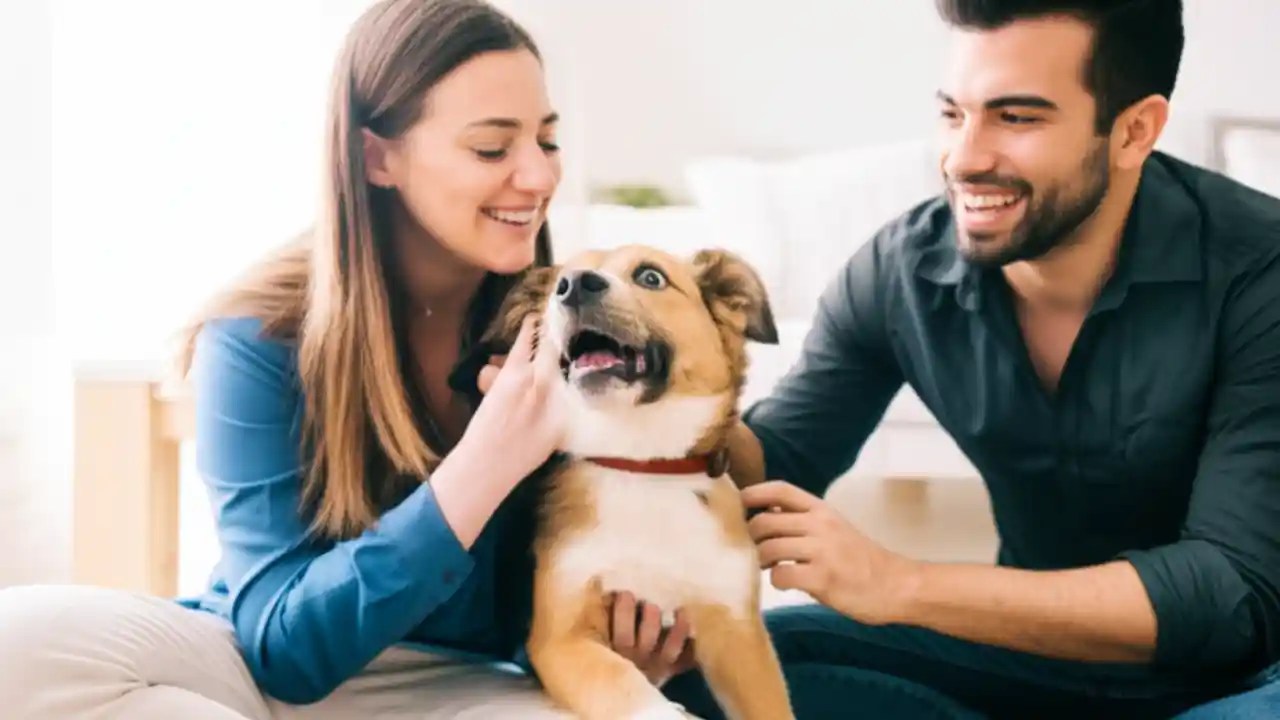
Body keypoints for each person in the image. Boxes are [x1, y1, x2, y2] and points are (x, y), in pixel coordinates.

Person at [0, 1, 667, 717]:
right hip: (250, 670)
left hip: (466, 686)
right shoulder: (258, 333)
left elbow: (563, 602)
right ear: (377, 156)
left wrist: (621, 648)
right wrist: (487, 461)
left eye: (548, 140)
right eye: (492, 148)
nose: (538, 177)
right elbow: (281, 649)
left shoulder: (568, 338)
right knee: (20, 640)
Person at [655, 1, 1280, 719]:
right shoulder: (901, 272)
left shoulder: (1260, 272)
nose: (964, 158)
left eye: (1017, 118)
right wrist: (673, 384)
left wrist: (901, 583)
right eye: (954, 114)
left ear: (1134, 131)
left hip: (1244, 678)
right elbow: (779, 461)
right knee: (716, 668)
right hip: (1025, 663)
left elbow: (1232, 595)